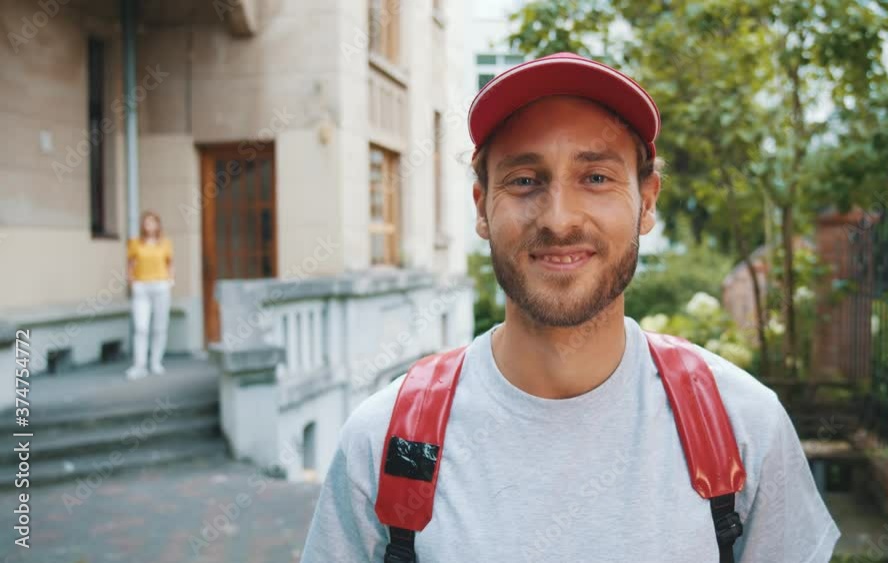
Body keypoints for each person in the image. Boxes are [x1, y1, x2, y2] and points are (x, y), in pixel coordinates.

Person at [301, 53, 840, 562]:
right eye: (525, 180)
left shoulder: (742, 427)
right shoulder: (385, 442)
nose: (559, 219)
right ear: (482, 207)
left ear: (647, 202)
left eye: (596, 177)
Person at [125, 210, 174, 380]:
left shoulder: (165, 243)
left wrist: (170, 280)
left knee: (160, 327)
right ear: (142, 225)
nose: (150, 226)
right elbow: (130, 265)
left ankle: (155, 362)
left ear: (158, 225)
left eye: (153, 222)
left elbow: (169, 263)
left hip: (161, 286)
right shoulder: (136, 243)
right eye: (147, 222)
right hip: (142, 287)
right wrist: (132, 283)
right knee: (141, 327)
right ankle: (139, 365)